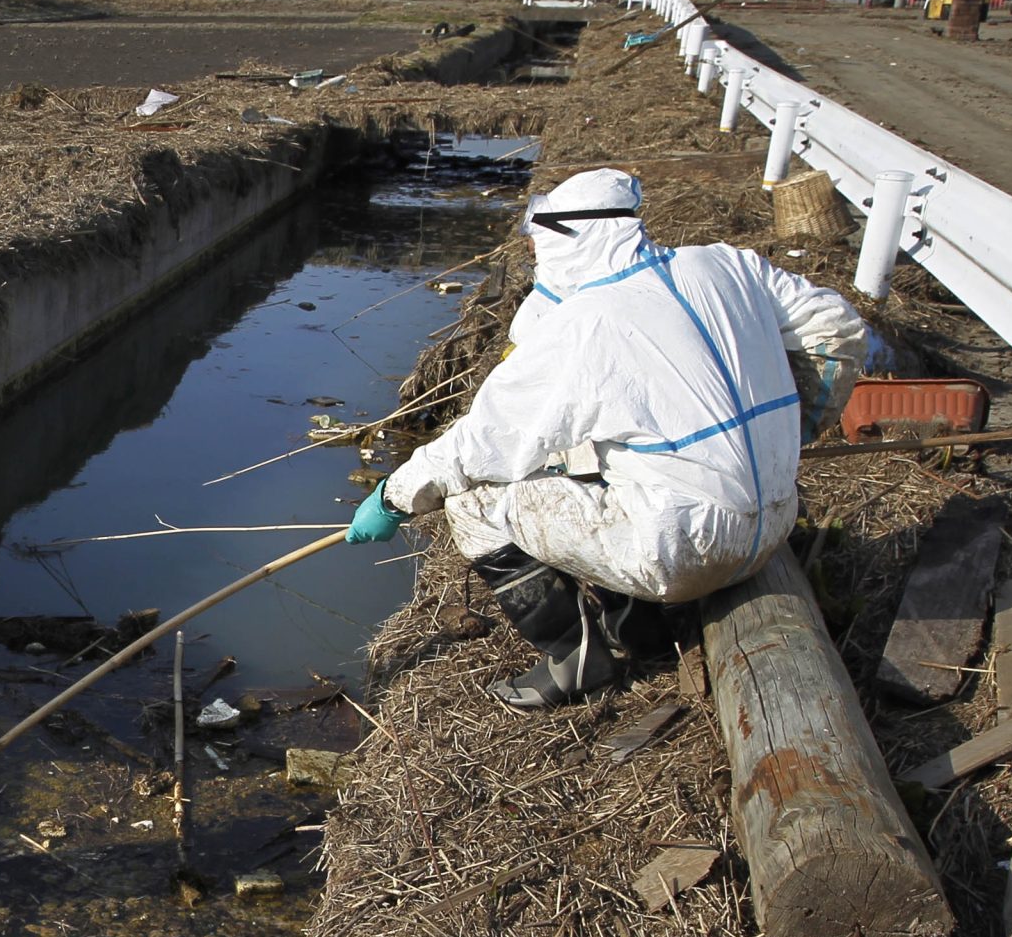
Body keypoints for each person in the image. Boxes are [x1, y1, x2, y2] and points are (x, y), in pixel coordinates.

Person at [347, 167, 869, 709]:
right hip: (775, 522)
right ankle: (638, 620)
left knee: (473, 498)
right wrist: (792, 431)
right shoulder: (726, 264)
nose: (536, 255)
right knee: (601, 463)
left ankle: (576, 655)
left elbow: (479, 447)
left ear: (569, 239)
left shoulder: (586, 324)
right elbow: (835, 324)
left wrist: (392, 497)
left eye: (540, 243)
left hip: (684, 551)